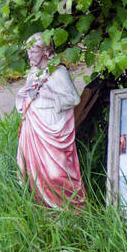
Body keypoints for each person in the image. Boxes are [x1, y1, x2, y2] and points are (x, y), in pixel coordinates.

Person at [15, 33, 85, 209]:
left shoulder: (58, 72)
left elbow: (73, 99)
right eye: (28, 52)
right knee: (32, 167)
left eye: (33, 51)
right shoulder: (33, 73)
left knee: (56, 172)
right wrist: (22, 96)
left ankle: (69, 209)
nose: (29, 56)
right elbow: (28, 97)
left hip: (53, 125)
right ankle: (45, 207)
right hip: (34, 123)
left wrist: (51, 96)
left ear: (45, 51)